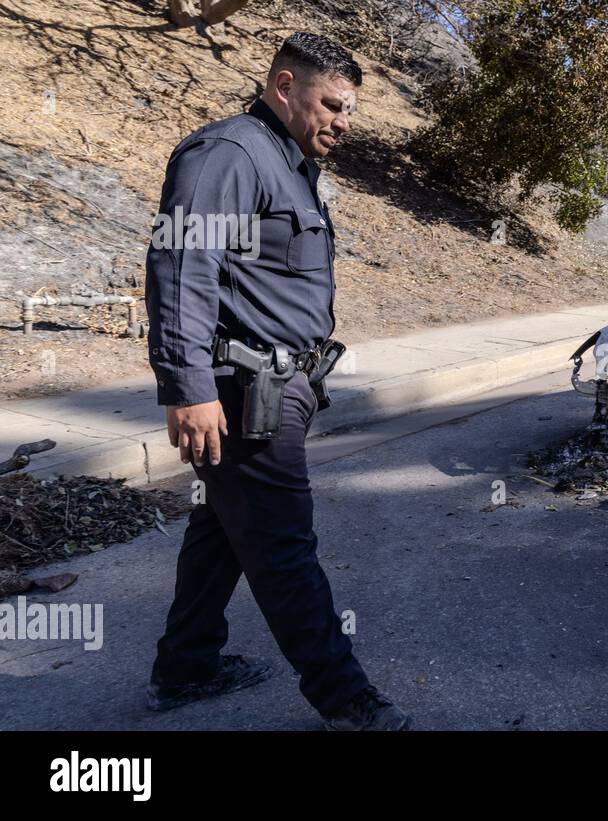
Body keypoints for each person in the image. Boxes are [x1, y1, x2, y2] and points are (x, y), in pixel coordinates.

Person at [144, 32, 411, 731]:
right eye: (332, 104)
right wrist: (187, 385)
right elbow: (180, 266)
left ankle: (186, 666)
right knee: (284, 545)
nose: (343, 122)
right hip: (239, 391)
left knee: (224, 531)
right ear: (284, 85)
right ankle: (347, 700)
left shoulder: (288, 165)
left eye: (350, 109)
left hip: (278, 385)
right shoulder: (230, 152)